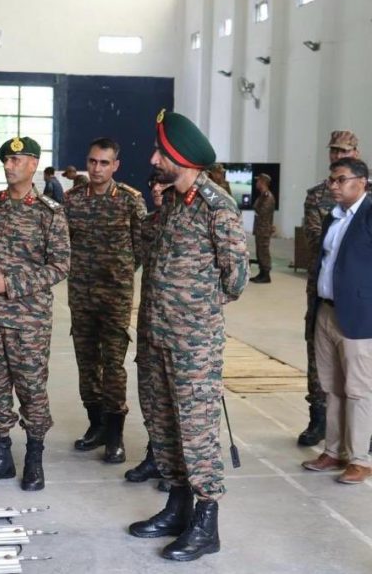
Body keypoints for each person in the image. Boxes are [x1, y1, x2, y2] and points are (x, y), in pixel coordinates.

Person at [128, 110, 248, 562]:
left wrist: (195, 310)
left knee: (196, 432)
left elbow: (235, 280)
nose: (154, 158)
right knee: (163, 425)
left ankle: (206, 522)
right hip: (156, 336)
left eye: (161, 152)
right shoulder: (173, 203)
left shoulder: (218, 208)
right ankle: (177, 507)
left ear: (181, 157)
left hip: (193, 344)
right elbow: (148, 255)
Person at [0, 136, 70, 492]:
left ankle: (34, 457)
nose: (9, 166)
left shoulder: (49, 212)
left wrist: (11, 283)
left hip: (28, 321)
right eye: (6, 160)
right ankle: (1, 455)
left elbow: (60, 265)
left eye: (17, 160)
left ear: (34, 164)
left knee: (32, 389)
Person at [64, 138, 146, 464]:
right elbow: (62, 245)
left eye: (104, 163)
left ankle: (115, 435)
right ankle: (95, 425)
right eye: (92, 161)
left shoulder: (129, 201)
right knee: (86, 363)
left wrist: (120, 273)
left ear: (116, 166)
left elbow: (142, 247)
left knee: (113, 366)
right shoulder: (72, 201)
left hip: (115, 297)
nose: (96, 168)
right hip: (80, 295)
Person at [301, 158, 372, 484]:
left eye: (340, 180)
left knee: (358, 389)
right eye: (331, 180)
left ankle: (359, 458)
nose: (333, 186)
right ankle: (334, 450)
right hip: (326, 312)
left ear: (362, 182)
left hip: (358, 316)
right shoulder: (334, 217)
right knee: (332, 387)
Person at [299, 131, 361, 446]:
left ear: (356, 151)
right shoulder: (318, 195)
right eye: (334, 151)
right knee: (318, 355)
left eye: (344, 150)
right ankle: (319, 419)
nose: (337, 155)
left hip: (359, 292)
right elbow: (314, 241)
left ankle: (362, 429)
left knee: (360, 361)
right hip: (321, 289)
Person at [126, 173, 173, 491]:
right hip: (149, 321)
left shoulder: (189, 221)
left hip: (181, 327)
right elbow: (134, 261)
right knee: (151, 394)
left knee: (178, 398)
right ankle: (156, 455)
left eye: (163, 184)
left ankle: (178, 467)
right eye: (153, 183)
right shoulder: (150, 223)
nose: (155, 188)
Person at [251, 173, 275, 283]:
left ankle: (266, 275)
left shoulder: (267, 197)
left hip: (264, 229)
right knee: (260, 252)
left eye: (258, 181)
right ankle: (261, 273)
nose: (257, 183)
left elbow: (262, 212)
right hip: (260, 229)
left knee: (263, 252)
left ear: (263, 182)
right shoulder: (262, 195)